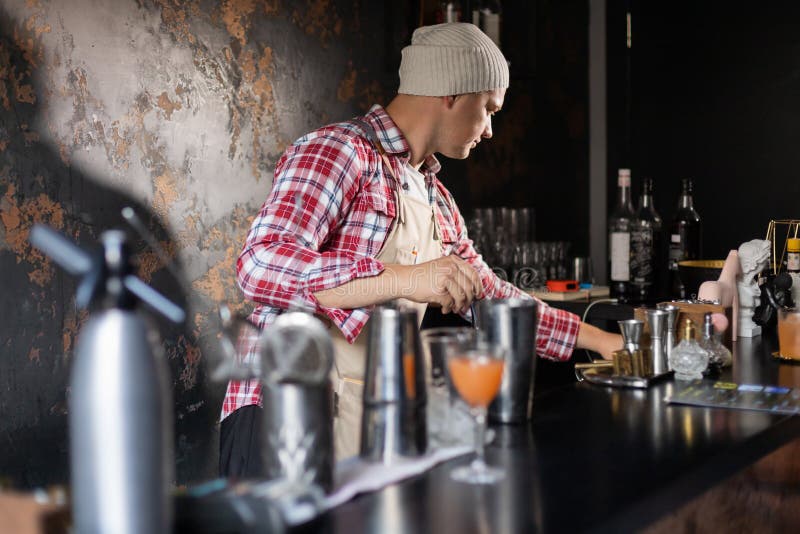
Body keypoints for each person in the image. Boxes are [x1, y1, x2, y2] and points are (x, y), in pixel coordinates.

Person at [220, 22, 622, 477]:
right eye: (488, 108)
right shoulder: (339, 150)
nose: (490, 130)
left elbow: (493, 298)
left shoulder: (436, 197)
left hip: (368, 417)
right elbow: (262, 263)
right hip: (284, 412)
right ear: (451, 94)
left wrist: (609, 344)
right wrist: (411, 278)